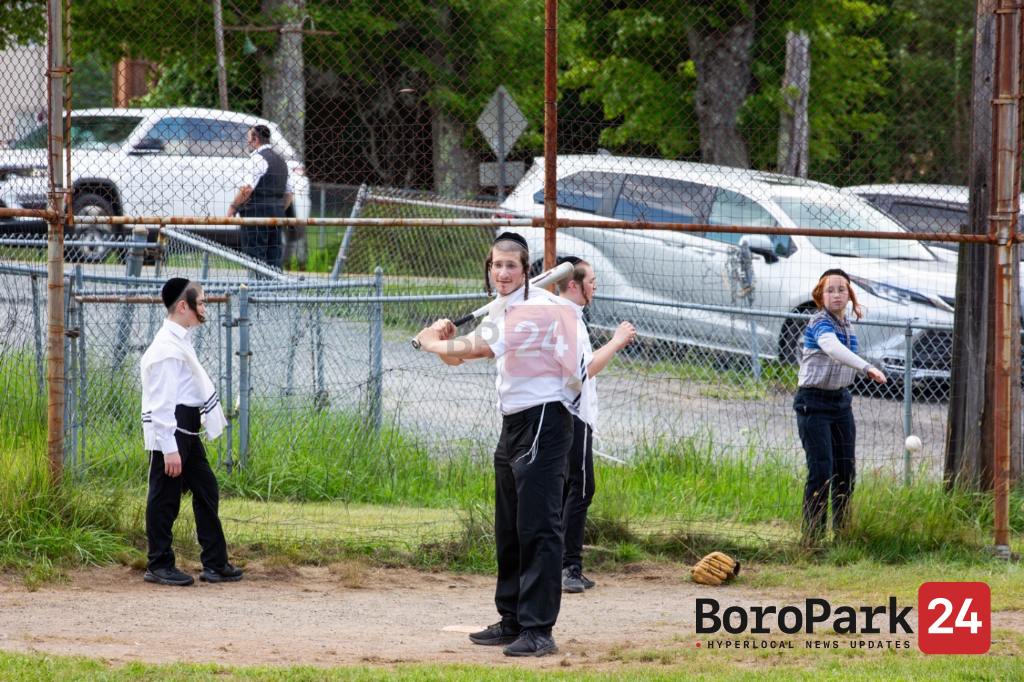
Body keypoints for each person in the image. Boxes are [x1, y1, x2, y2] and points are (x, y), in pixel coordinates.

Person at [414, 233, 585, 658]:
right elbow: (456, 357)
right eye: (496, 265)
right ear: (488, 270)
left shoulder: (537, 310)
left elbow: (477, 347)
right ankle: (512, 619)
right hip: (513, 422)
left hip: (545, 419)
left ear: (526, 271)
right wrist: (442, 339)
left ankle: (539, 630)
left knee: (538, 526)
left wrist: (433, 339)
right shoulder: (503, 308)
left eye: (511, 266)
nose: (503, 273)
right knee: (509, 526)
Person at [140, 277, 243, 586]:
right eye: (200, 303)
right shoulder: (167, 348)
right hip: (172, 427)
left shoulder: (180, 341)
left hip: (187, 426)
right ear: (183, 306)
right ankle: (159, 564)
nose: (204, 308)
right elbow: (161, 403)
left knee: (206, 488)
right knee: (165, 495)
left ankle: (214, 563)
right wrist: (169, 446)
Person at [554, 256, 635, 593]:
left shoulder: (570, 316)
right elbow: (580, 374)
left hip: (570, 414)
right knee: (581, 488)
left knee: (565, 491)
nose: (595, 285)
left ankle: (559, 565)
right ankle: (567, 567)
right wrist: (616, 341)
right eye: (591, 279)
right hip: (571, 415)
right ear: (574, 284)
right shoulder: (567, 319)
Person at [794, 269, 887, 541]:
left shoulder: (847, 325)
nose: (836, 295)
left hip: (841, 403)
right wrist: (866, 367)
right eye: (830, 290)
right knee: (821, 471)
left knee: (845, 470)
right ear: (820, 296)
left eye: (842, 290)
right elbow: (832, 348)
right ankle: (812, 539)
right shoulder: (819, 322)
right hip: (813, 403)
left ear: (849, 295)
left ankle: (843, 534)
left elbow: (842, 351)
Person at [227, 124, 287, 269]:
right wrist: (279, 207)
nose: (247, 141)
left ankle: (257, 288)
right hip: (277, 212)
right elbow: (290, 192)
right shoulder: (281, 159)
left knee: (256, 253)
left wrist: (233, 207)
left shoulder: (257, 158)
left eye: (248, 137)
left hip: (257, 211)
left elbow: (247, 189)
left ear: (255, 139)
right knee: (274, 252)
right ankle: (274, 288)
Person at [280, 179, 308, 271]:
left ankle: (301, 265)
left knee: (297, 242)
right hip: (285, 222)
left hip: (291, 223)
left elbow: (291, 191)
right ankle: (287, 264)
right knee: (287, 243)